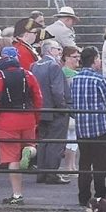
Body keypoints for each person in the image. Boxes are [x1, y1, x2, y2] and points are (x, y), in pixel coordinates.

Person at [0, 46, 43, 204]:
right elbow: (38, 98)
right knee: (31, 145)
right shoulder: (28, 74)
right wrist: (36, 117)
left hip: (6, 121)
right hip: (27, 118)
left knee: (12, 159)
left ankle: (17, 194)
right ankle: (29, 151)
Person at [70, 47, 106, 209]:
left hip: (82, 127)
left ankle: (83, 196)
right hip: (99, 127)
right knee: (101, 164)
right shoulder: (99, 80)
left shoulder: (75, 79)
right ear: (94, 59)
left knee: (84, 163)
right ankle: (100, 195)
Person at [31, 40, 71, 184]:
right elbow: (57, 90)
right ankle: (52, 174)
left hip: (40, 109)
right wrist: (63, 108)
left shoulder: (34, 65)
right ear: (50, 51)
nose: (60, 52)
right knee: (55, 142)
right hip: (54, 110)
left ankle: (42, 173)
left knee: (43, 142)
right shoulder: (54, 66)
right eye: (58, 49)